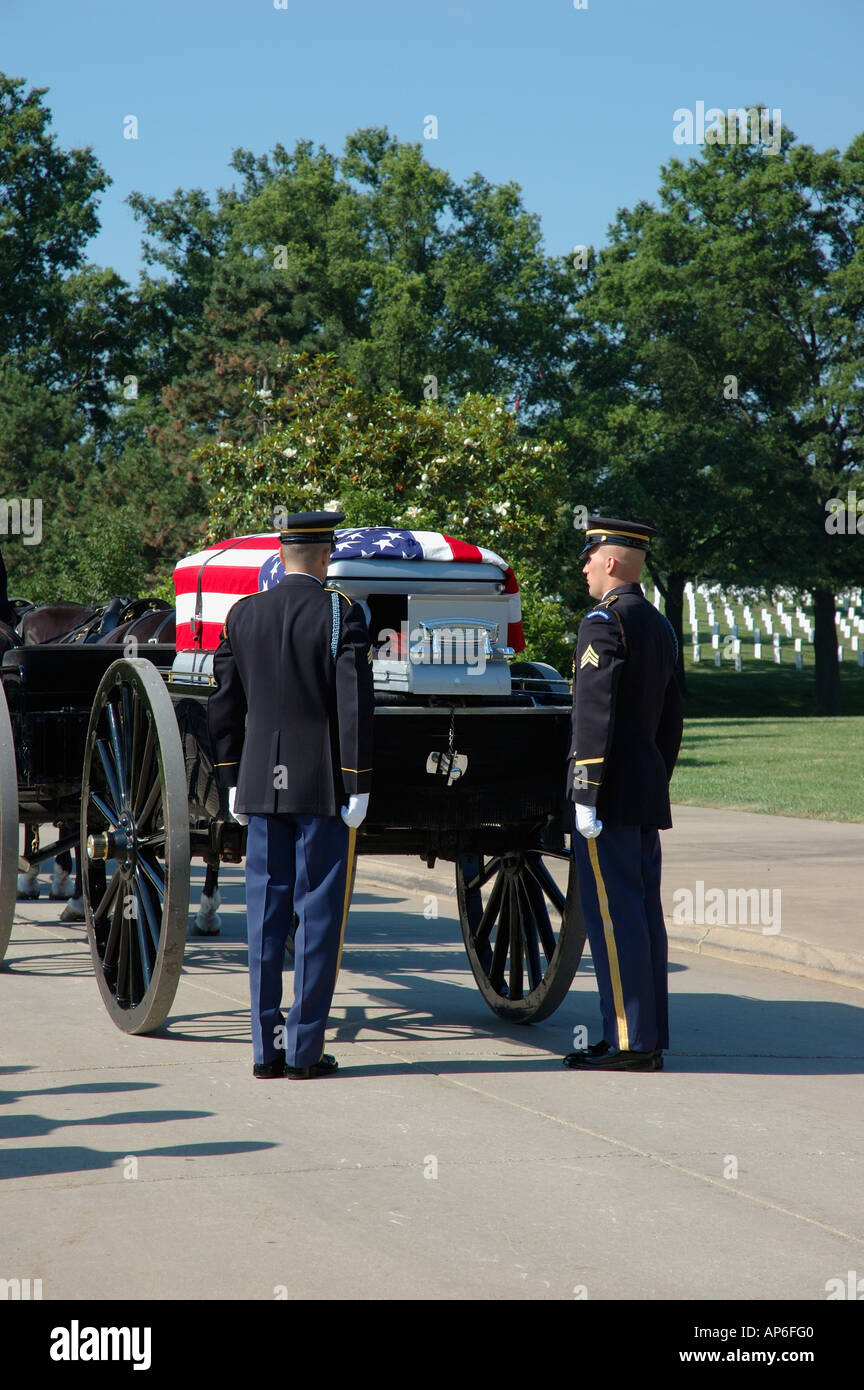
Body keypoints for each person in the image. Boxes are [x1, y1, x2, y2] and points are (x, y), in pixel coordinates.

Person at [207, 510, 374, 1080]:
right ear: (326, 555)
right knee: (318, 916)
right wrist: (358, 781)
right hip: (320, 781)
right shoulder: (340, 613)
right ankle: (304, 1053)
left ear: (280, 556)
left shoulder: (243, 614)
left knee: (264, 918)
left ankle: (264, 1051)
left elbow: (223, 706)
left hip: (259, 782)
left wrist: (231, 776)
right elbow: (352, 706)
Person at [563, 516, 683, 1072]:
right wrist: (656, 776)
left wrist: (585, 789)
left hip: (607, 793)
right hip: (643, 787)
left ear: (611, 562)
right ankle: (645, 1034)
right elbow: (671, 720)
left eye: (590, 557)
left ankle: (631, 1042)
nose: (584, 566)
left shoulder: (602, 623)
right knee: (641, 915)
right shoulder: (659, 625)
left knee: (613, 917)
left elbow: (594, 713)